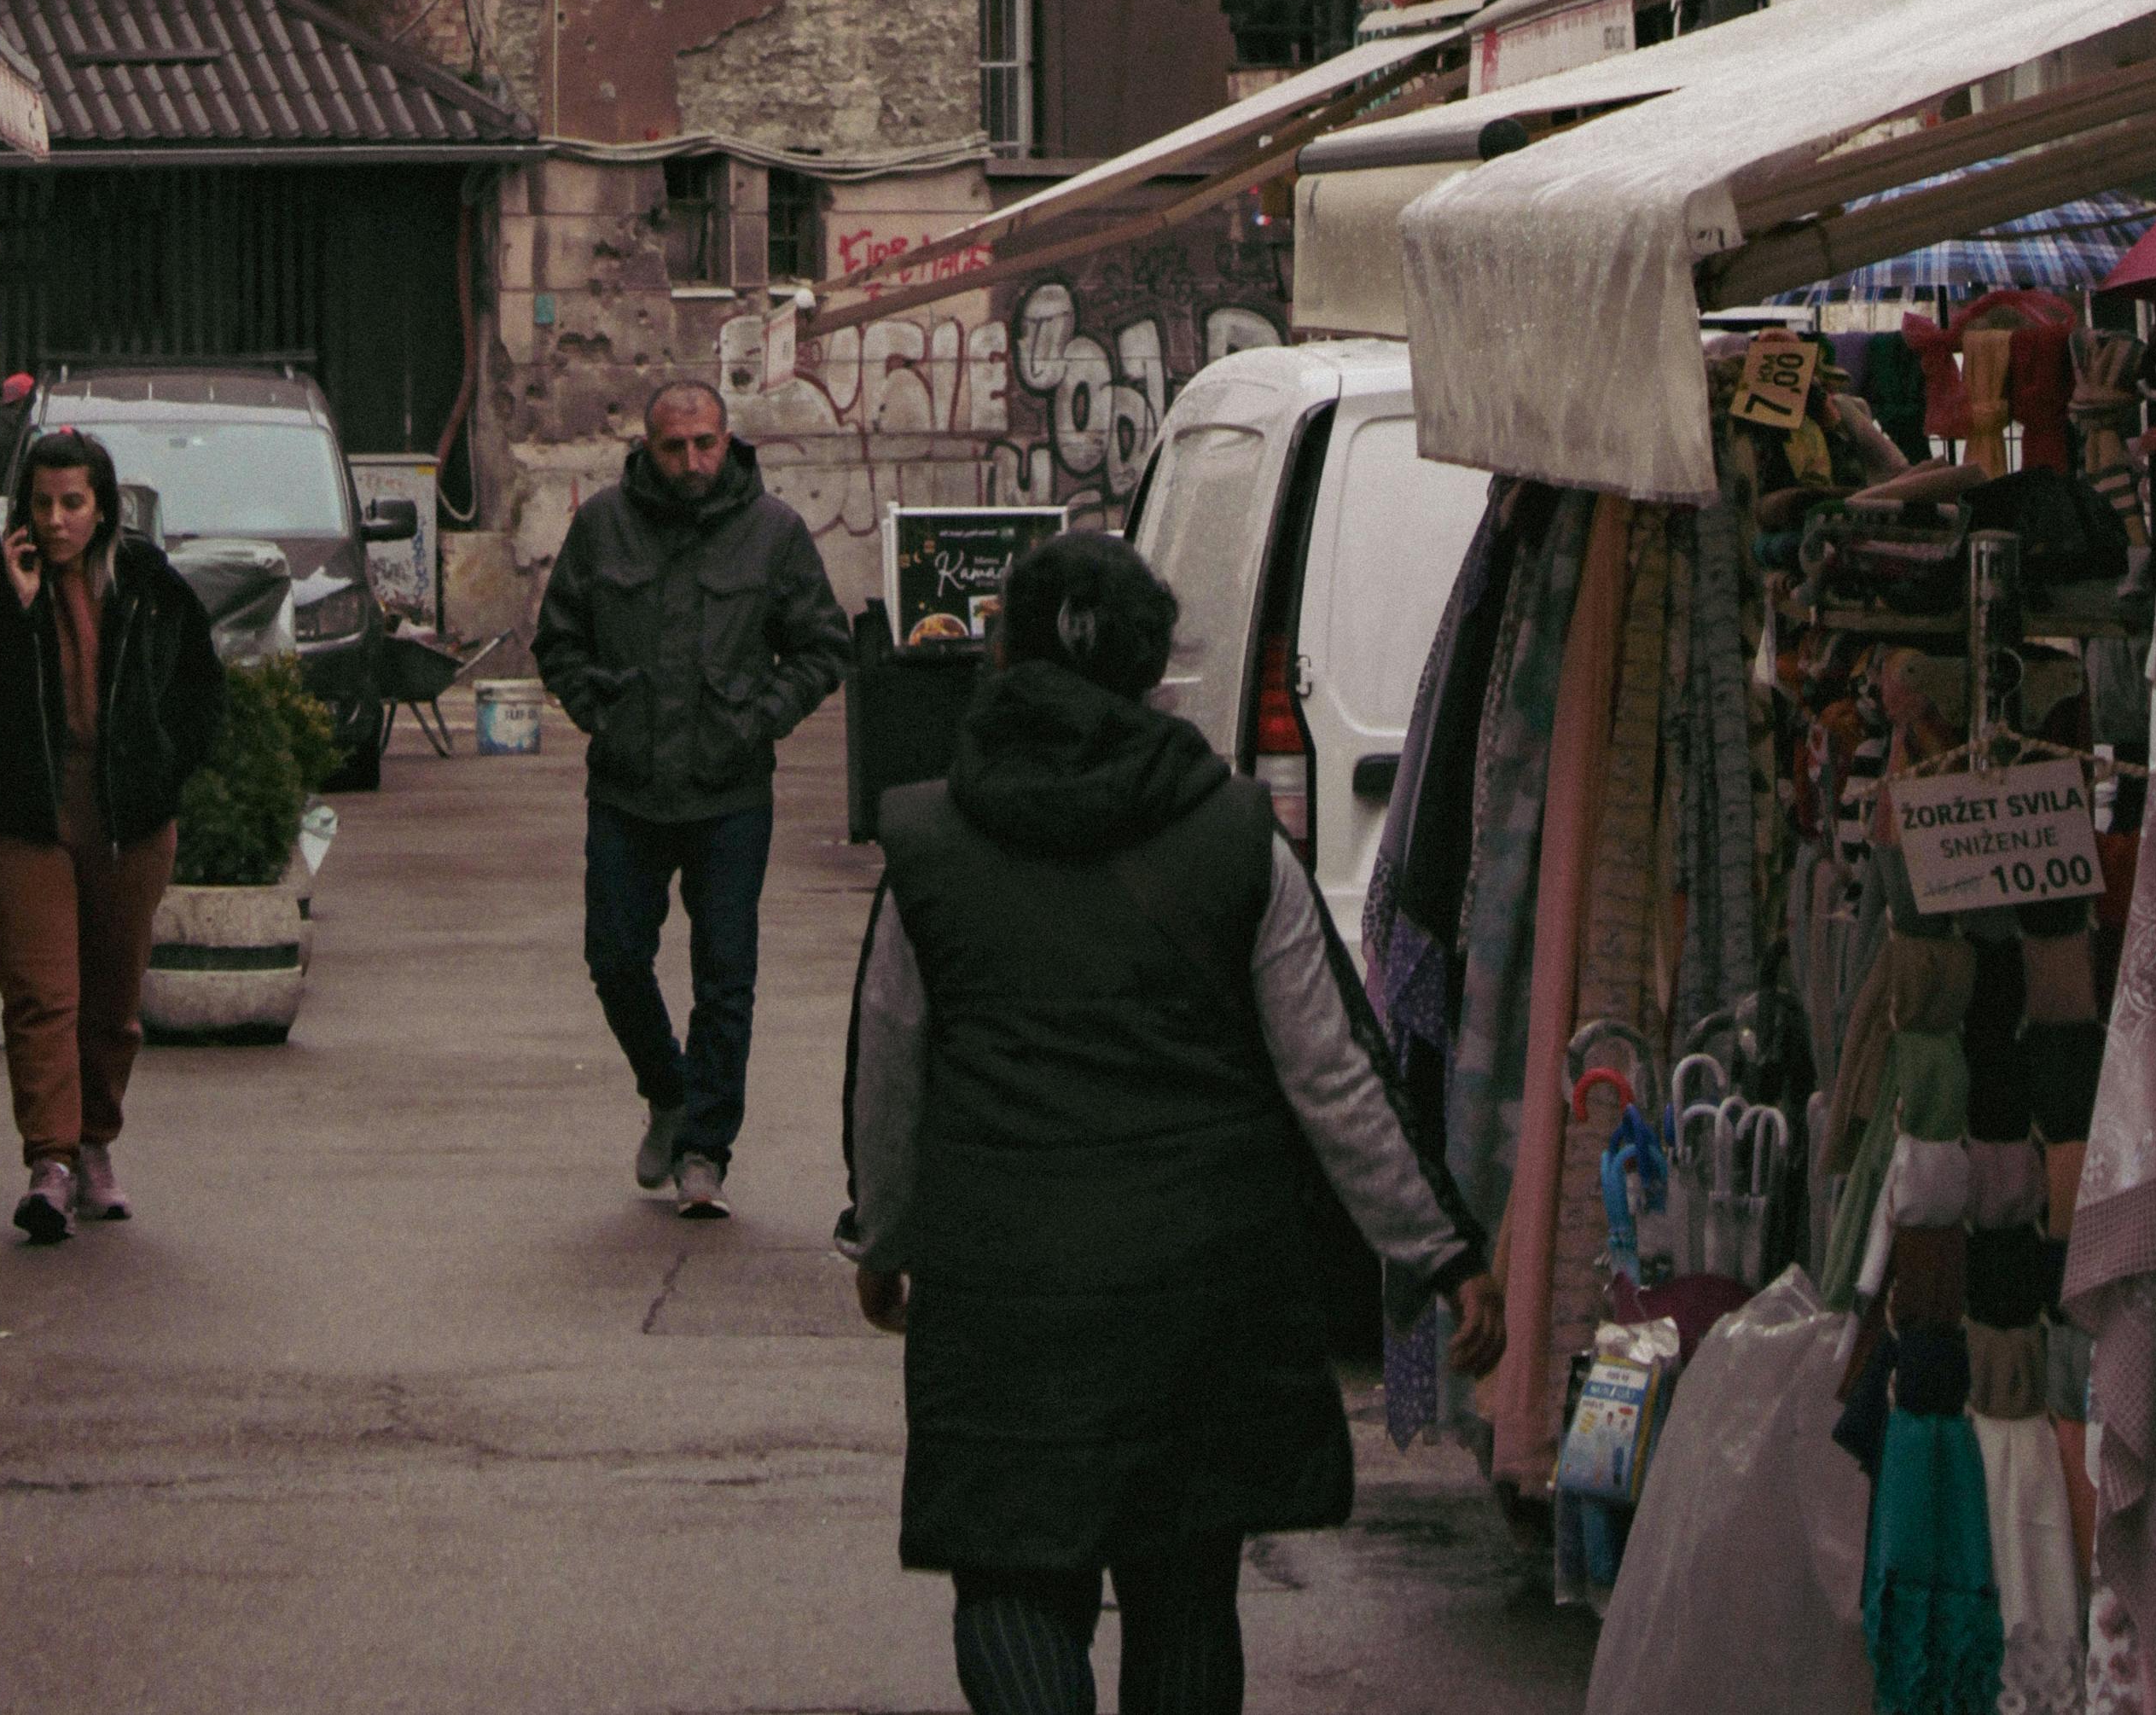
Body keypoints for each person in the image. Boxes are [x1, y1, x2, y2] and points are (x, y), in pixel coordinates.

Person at [848, 526, 1507, 1715]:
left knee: (1011, 1574)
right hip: (1201, 1282)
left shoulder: (930, 841)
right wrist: (1439, 1249)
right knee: (1185, 1588)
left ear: (1000, 658)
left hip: (1006, 1285)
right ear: (1153, 673)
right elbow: (1332, 1071)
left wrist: (887, 1237)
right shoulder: (1235, 835)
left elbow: (889, 1065)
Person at [532, 376, 848, 1218]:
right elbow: (558, 638)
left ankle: (706, 1150)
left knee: (726, 978)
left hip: (729, 791)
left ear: (727, 438)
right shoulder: (604, 525)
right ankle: (667, 1090)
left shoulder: (773, 532)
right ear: (648, 447)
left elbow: (823, 646)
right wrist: (602, 714)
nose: (693, 461)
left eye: (706, 442)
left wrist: (762, 719)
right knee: (614, 957)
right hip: (628, 789)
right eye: (674, 447)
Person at [0, 421, 225, 1243]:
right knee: (41, 997)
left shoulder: (148, 583)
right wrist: (13, 601)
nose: (55, 521)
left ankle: (95, 1144)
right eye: (41, 504)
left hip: (127, 822)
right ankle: (50, 1165)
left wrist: (164, 770)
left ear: (102, 508)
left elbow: (202, 689)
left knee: (113, 1002)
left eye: (72, 503)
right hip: (27, 818)